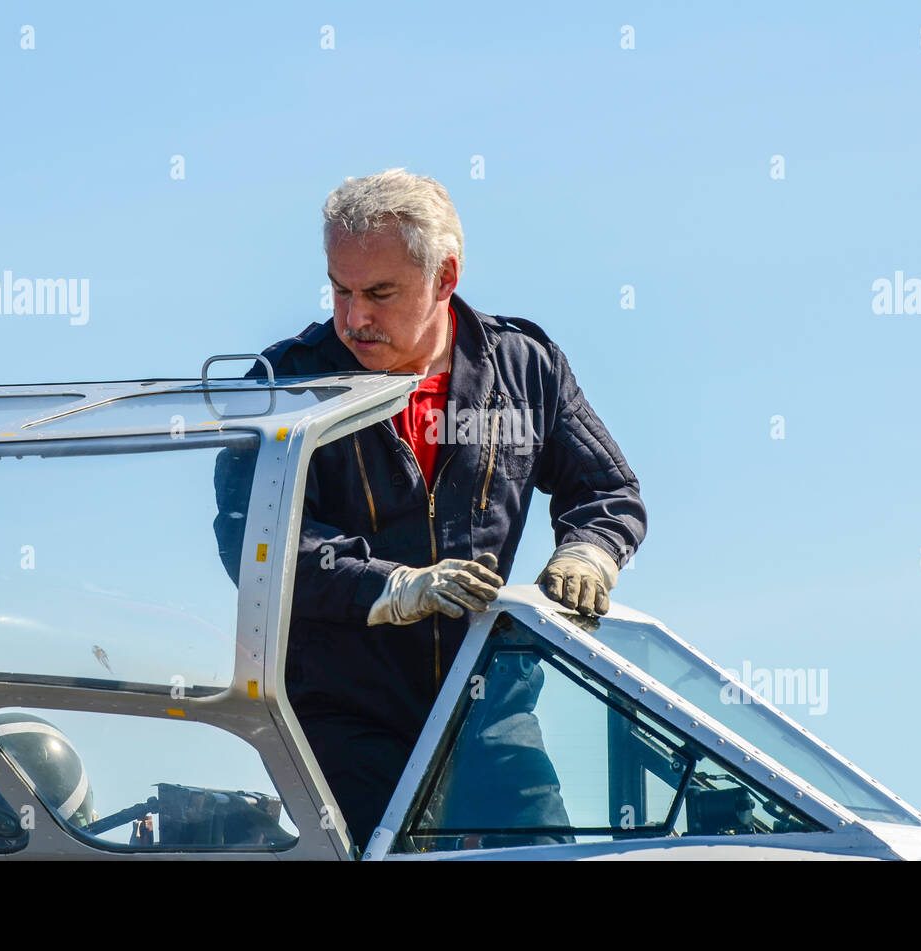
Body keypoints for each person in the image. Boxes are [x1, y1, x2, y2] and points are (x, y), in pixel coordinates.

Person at [219, 168, 646, 852]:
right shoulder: (285, 387)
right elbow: (250, 541)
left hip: (493, 716)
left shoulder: (527, 369)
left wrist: (588, 553)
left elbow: (607, 492)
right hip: (344, 725)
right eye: (340, 289)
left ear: (445, 277)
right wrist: (393, 587)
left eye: (379, 293)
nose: (354, 317)